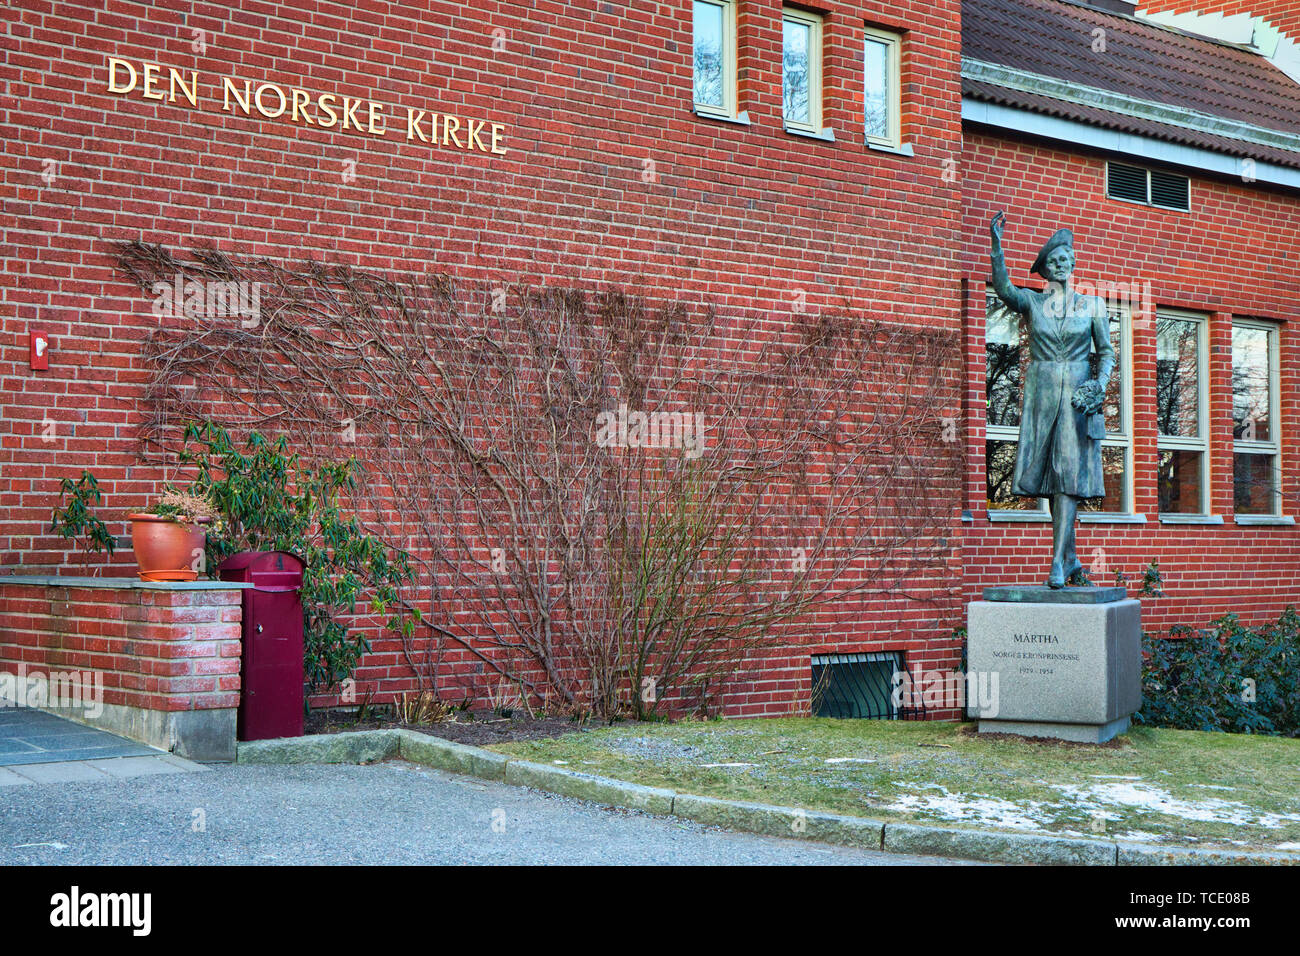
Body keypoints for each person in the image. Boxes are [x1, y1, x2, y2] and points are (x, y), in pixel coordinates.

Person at [989, 212, 1114, 588]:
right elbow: (1004, 289)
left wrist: (1100, 385)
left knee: (1069, 475)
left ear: (1074, 263)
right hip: (1041, 393)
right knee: (1050, 473)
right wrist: (997, 247)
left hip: (1077, 395)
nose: (1060, 265)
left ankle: (1058, 562)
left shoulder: (1093, 305)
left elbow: (1106, 352)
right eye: (1053, 261)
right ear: (1044, 271)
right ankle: (1072, 557)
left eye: (1065, 259)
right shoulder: (1033, 302)